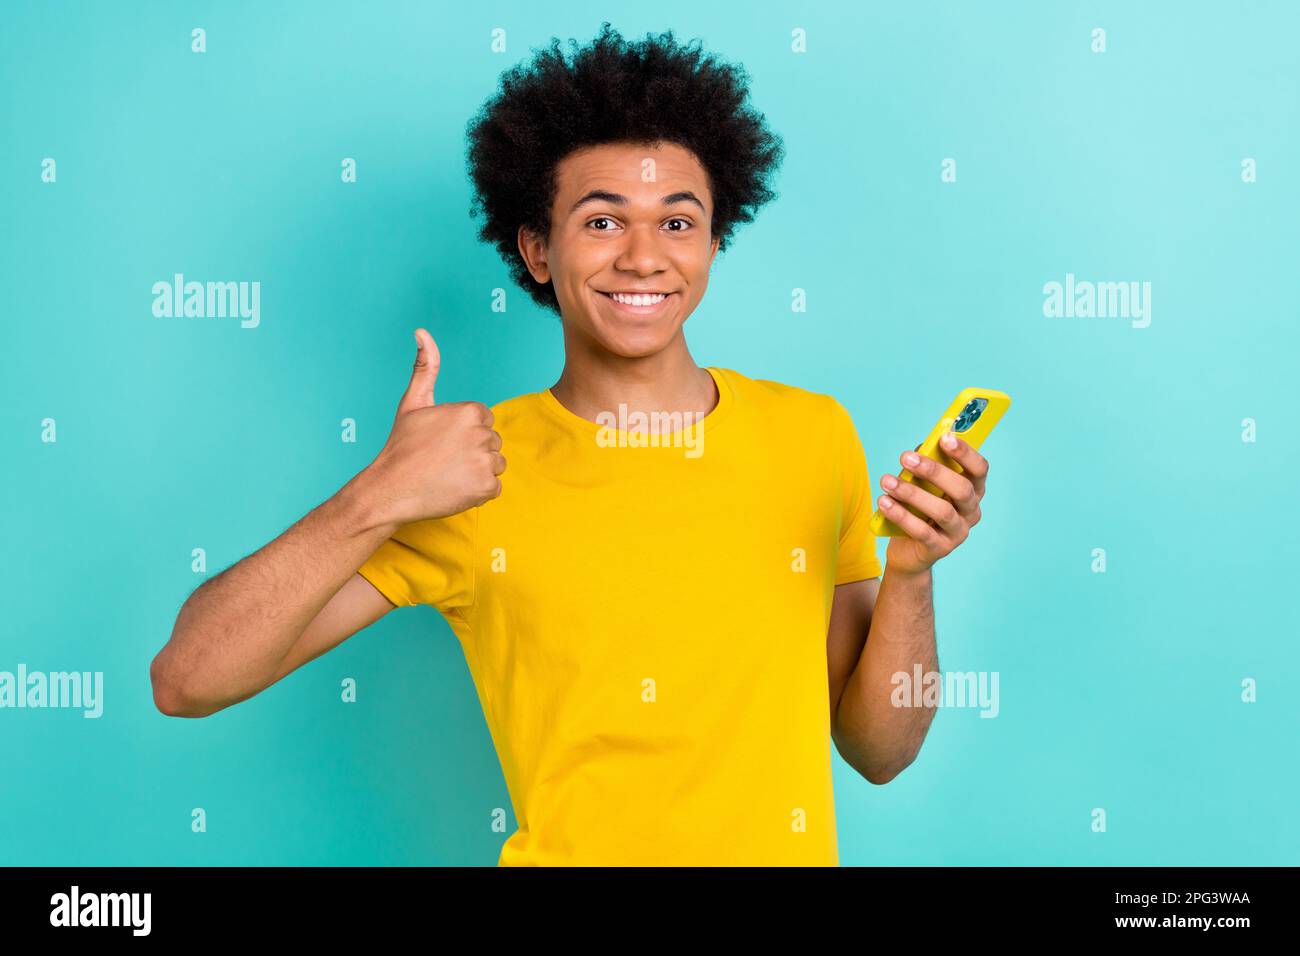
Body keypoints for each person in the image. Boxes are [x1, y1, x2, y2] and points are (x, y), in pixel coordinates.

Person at [150, 22, 990, 866]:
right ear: (538, 250)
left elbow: (880, 754)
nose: (641, 258)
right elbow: (186, 679)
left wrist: (912, 574)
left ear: (711, 243)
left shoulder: (812, 435)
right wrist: (382, 493)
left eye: (677, 221)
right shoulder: (467, 472)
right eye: (600, 222)